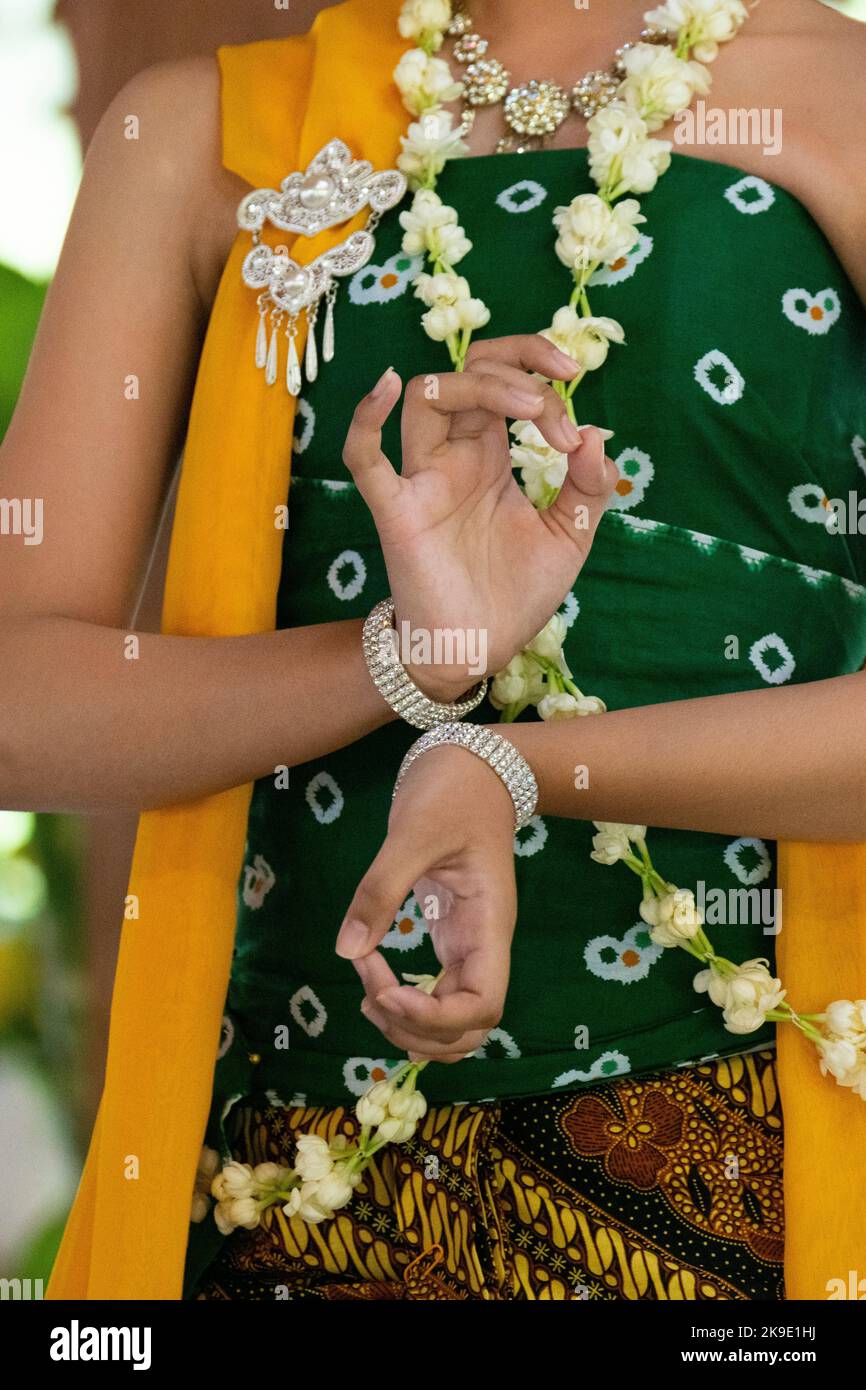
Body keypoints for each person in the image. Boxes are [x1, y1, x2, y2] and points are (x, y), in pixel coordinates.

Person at [4, 0, 864, 1301]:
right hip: (294, 1182)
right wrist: (406, 659)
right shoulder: (207, 134)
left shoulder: (837, 94)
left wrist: (512, 770)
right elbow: (23, 699)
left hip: (754, 1172)